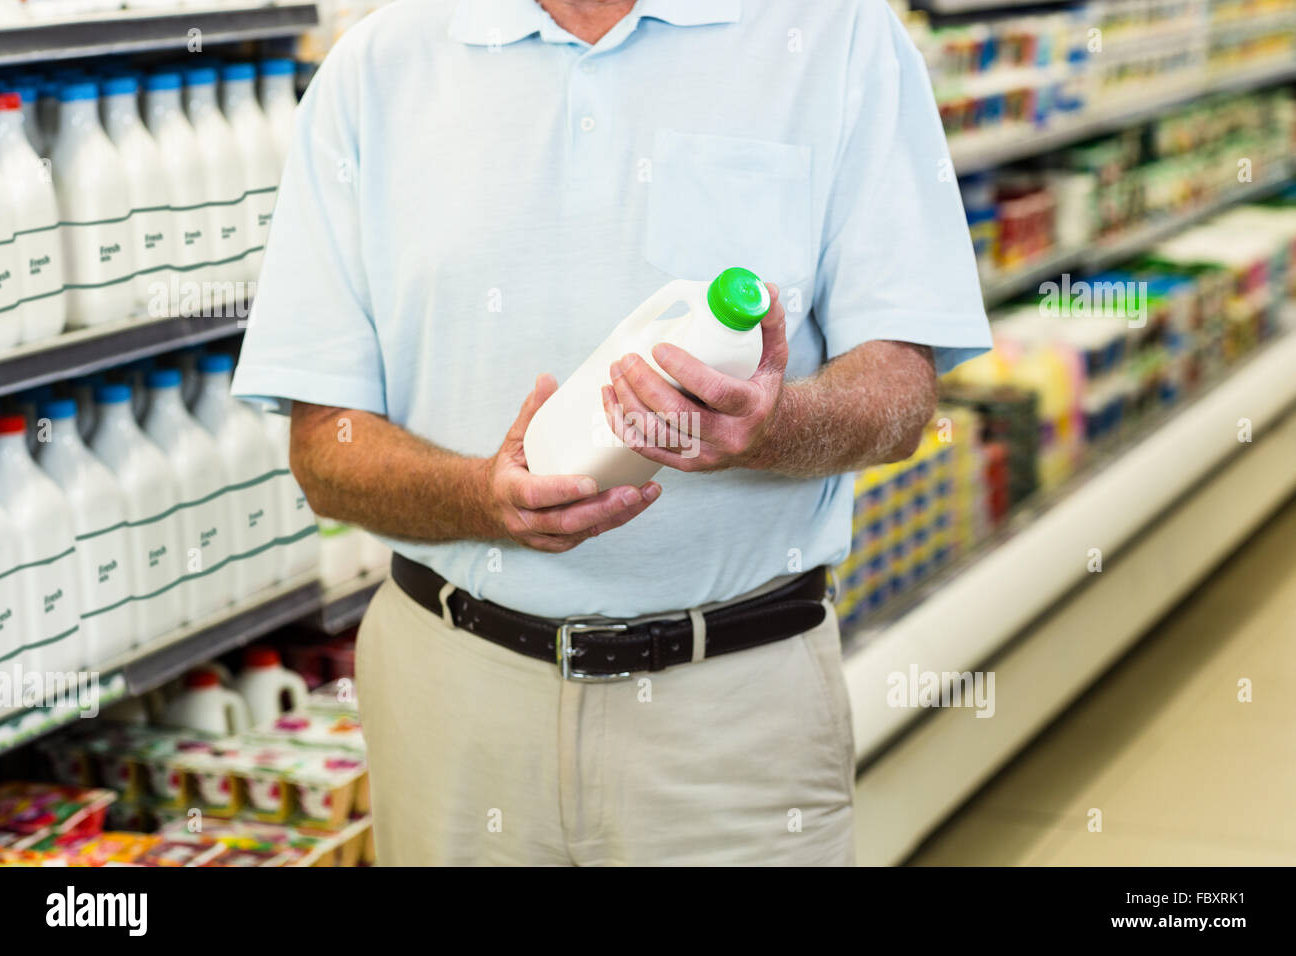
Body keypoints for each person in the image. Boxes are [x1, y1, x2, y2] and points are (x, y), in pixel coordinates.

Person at [232, 0, 992, 865]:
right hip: (455, 708)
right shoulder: (376, 67)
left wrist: (773, 425)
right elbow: (325, 451)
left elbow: (900, 396)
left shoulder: (837, 35)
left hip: (730, 715)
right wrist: (481, 498)